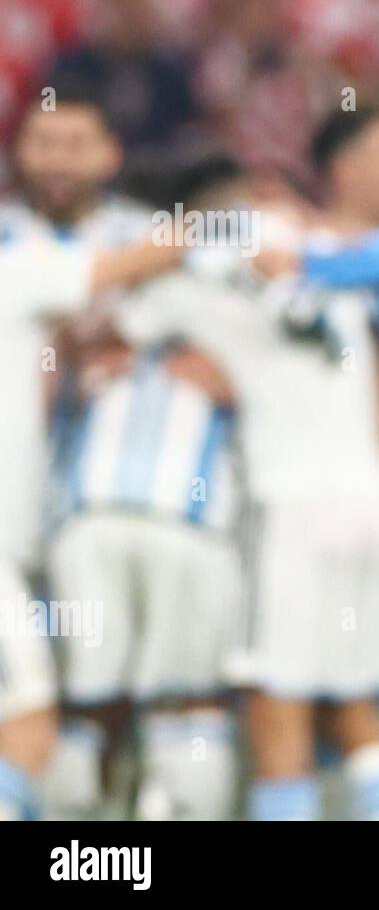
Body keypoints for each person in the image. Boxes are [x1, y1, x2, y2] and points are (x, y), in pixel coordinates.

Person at [113, 123, 379, 820]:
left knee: (276, 711)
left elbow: (110, 325)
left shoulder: (190, 272)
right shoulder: (327, 249)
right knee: (355, 707)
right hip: (373, 503)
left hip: (288, 508)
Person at [0, 89, 181, 820]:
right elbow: (144, 259)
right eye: (44, 141)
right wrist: (222, 216)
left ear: (110, 152)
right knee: (35, 714)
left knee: (72, 706)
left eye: (77, 141)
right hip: (17, 543)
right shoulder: (17, 259)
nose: (58, 160)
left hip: (60, 522)